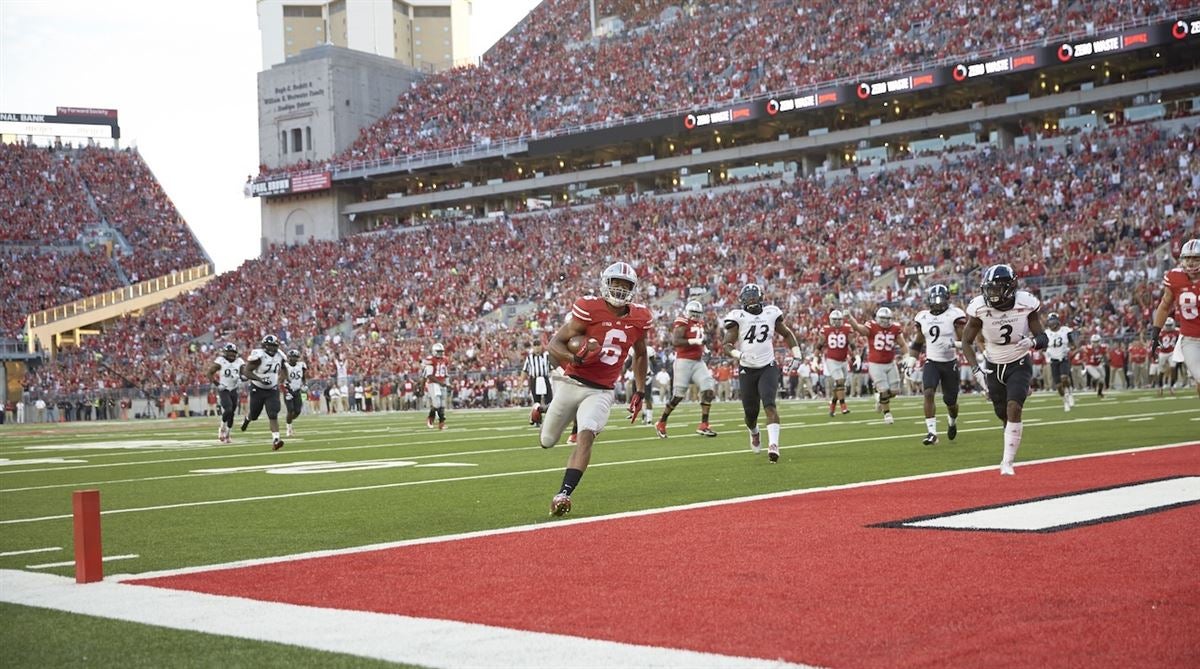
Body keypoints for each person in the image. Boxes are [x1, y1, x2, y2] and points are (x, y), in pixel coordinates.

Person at [541, 261, 651, 516]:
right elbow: (555, 345)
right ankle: (549, 411)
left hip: (602, 389)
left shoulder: (639, 317)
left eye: (626, 286)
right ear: (605, 284)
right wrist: (575, 357)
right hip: (572, 382)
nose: (621, 290)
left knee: (587, 434)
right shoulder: (588, 309)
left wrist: (640, 390)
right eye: (616, 284)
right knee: (547, 441)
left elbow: (641, 353)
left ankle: (563, 494)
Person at [962, 264, 1049, 476]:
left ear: (1010, 287)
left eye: (997, 288)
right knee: (1002, 413)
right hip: (992, 362)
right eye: (989, 288)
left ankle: (1007, 462)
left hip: (1018, 360)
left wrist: (1032, 343)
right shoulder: (979, 307)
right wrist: (976, 370)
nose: (992, 293)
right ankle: (1009, 442)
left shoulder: (1025, 303)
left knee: (1014, 408)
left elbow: (1043, 338)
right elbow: (966, 341)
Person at [720, 283, 803, 463]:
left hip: (768, 366)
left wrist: (797, 354)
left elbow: (787, 334)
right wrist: (739, 354)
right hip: (747, 368)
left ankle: (773, 445)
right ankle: (754, 432)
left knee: (770, 404)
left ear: (760, 297)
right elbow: (726, 344)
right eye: (748, 297)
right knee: (751, 414)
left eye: (754, 296)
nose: (751, 300)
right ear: (742, 301)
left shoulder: (771, 313)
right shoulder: (737, 317)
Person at [911, 284, 966, 445]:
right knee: (928, 392)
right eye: (934, 300)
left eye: (940, 300)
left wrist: (953, 344)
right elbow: (918, 342)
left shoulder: (954, 315)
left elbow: (966, 342)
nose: (936, 303)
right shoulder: (923, 317)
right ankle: (932, 432)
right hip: (932, 361)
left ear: (947, 299)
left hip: (949, 363)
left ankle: (952, 421)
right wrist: (911, 359)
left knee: (951, 401)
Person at [655, 300, 718, 438]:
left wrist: (706, 349)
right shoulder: (682, 321)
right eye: (693, 313)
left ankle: (704, 424)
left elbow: (701, 340)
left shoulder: (699, 324)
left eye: (697, 314)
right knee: (678, 396)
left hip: (698, 362)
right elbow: (676, 341)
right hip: (683, 361)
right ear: (687, 312)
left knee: (708, 389)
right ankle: (661, 422)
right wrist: (696, 342)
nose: (695, 316)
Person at [1150, 238, 1200, 400]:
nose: (1191, 262)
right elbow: (1165, 306)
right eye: (1188, 258)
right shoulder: (1175, 277)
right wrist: (1155, 334)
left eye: (1196, 258)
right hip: (1190, 340)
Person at [847, 306, 914, 425]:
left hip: (890, 363)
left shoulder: (895, 328)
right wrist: (851, 319)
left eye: (887, 319)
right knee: (884, 389)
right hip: (876, 364)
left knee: (894, 391)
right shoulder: (872, 326)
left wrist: (907, 356)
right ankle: (887, 413)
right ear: (878, 318)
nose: (884, 322)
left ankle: (879, 399)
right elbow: (859, 329)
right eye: (882, 319)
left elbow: (903, 344)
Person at [240, 334, 287, 450]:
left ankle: (276, 439)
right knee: (254, 415)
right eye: (270, 346)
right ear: (265, 346)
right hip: (257, 388)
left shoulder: (280, 356)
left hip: (272, 389)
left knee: (273, 413)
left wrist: (280, 380)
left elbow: (284, 369)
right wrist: (260, 379)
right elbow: (246, 371)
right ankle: (247, 419)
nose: (273, 348)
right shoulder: (259, 356)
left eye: (274, 346)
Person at [205, 343, 244, 443]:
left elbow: (245, 372)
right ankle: (222, 427)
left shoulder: (239, 361)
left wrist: (242, 378)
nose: (231, 355)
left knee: (232, 414)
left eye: (233, 353)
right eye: (229, 352)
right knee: (228, 408)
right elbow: (209, 373)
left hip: (234, 389)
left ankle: (228, 434)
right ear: (225, 353)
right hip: (224, 389)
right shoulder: (220, 361)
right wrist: (218, 384)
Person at [817, 309, 853, 417]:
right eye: (835, 320)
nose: (837, 322)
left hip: (843, 361)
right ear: (831, 320)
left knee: (840, 385)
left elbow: (852, 343)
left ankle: (832, 406)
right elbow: (820, 344)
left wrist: (856, 356)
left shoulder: (847, 329)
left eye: (839, 319)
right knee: (840, 380)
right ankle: (843, 406)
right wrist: (815, 358)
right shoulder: (826, 330)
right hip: (832, 360)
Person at [1044, 312, 1076, 411]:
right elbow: (1043, 346)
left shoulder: (1065, 330)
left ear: (1057, 321)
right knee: (1058, 385)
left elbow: (1072, 344)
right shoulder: (1046, 333)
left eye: (1053, 321)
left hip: (1063, 358)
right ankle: (1065, 400)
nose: (1051, 324)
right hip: (1053, 360)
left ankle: (1070, 393)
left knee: (1064, 378)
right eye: (1050, 321)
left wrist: (1071, 348)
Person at [521, 341, 553, 427]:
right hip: (534, 379)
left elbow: (552, 369)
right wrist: (521, 383)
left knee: (549, 400)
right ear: (533, 347)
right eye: (535, 346)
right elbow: (524, 371)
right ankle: (536, 419)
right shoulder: (529, 358)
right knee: (536, 401)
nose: (537, 348)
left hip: (545, 378)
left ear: (541, 346)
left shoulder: (546, 356)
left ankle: (549, 420)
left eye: (538, 346)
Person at [423, 342, 450, 429]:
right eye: (439, 351)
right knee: (437, 404)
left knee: (442, 405)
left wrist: (448, 383)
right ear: (434, 351)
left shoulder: (445, 359)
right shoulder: (431, 360)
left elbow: (445, 373)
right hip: (434, 383)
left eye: (442, 351)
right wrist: (440, 382)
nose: (441, 353)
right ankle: (430, 418)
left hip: (441, 383)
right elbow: (429, 375)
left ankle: (441, 423)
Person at [282, 349, 307, 437]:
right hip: (288, 390)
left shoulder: (301, 365)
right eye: (293, 357)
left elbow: (303, 377)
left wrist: (304, 384)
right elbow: (281, 379)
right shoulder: (285, 366)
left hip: (297, 390)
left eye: (296, 357)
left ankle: (288, 421)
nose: (294, 359)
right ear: (289, 357)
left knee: (297, 411)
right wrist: (285, 389)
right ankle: (289, 428)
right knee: (290, 410)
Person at [1081, 334, 1107, 399]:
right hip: (1090, 365)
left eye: (1097, 341)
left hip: (1098, 364)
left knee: (1102, 379)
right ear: (1091, 341)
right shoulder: (1088, 348)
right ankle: (1093, 383)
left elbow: (1105, 355)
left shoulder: (1103, 347)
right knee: (1097, 376)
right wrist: (1084, 368)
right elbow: (1084, 357)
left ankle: (1099, 392)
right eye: (1094, 342)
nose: (1096, 343)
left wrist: (1105, 361)